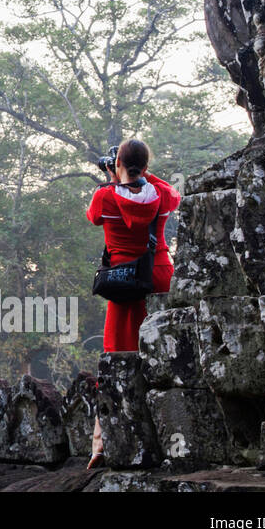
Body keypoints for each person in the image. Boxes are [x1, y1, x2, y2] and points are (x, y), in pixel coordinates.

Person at [83, 138, 181, 468]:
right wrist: (143, 175)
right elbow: (173, 194)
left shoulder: (105, 197)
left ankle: (101, 441)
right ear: (146, 166)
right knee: (168, 354)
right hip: (159, 274)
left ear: (117, 165)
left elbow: (93, 217)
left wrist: (116, 179)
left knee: (117, 354)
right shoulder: (163, 195)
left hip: (126, 281)